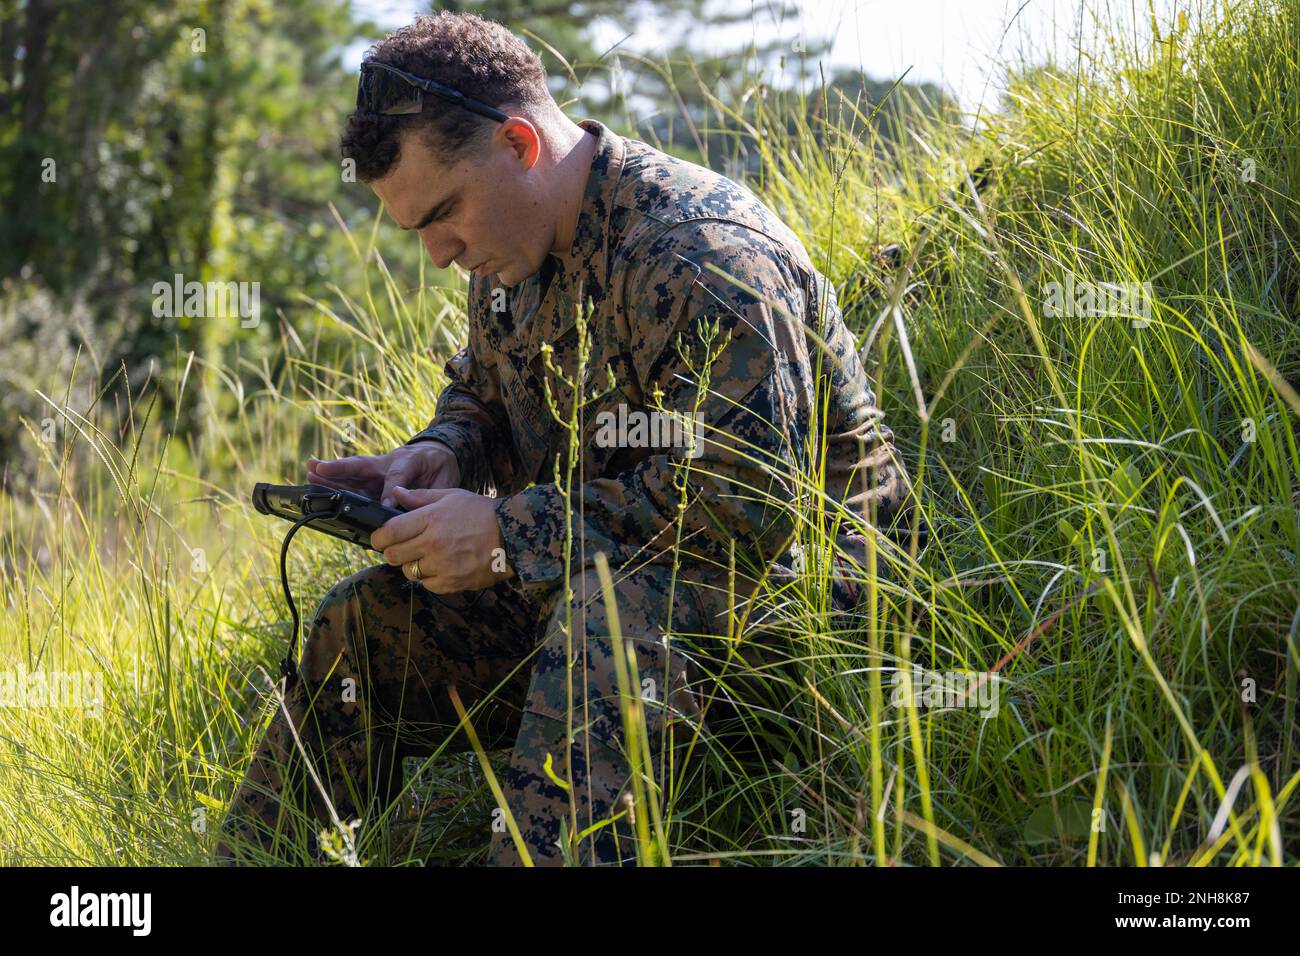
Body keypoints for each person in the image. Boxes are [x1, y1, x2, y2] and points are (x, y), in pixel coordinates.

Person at [216, 10, 911, 866]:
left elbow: (751, 506)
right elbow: (484, 388)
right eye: (416, 232)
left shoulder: (704, 254)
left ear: (518, 144)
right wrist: (447, 451)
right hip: (607, 594)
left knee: (606, 613)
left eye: (443, 215)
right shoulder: (510, 249)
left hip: (811, 624)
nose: (437, 255)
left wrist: (506, 536)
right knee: (362, 620)